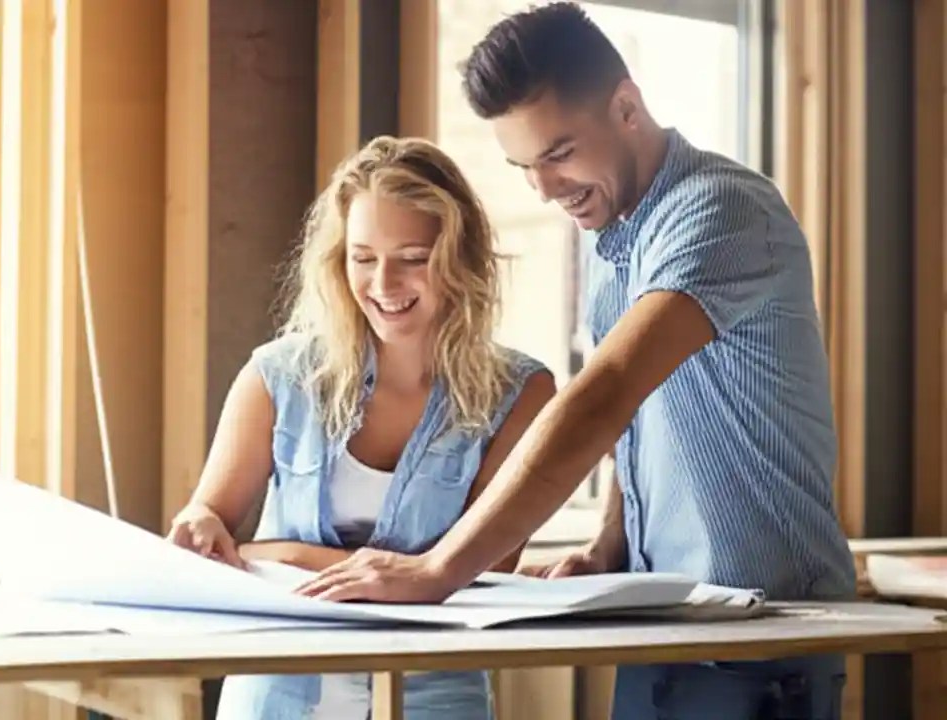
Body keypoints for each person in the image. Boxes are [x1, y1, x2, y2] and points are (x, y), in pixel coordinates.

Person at [294, 4, 857, 719]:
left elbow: (608, 391)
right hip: (668, 631)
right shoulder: (608, 237)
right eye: (524, 166)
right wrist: (608, 542)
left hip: (767, 639)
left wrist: (438, 569)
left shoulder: (722, 211)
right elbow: (643, 417)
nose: (545, 189)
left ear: (627, 106)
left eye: (558, 154)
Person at [166, 135, 556, 719]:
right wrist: (199, 526)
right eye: (364, 257)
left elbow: (487, 569)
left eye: (413, 258)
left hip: (436, 699)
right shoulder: (277, 377)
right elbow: (214, 539)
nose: (383, 284)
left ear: (459, 257)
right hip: (278, 694)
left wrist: (285, 556)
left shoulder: (521, 394)